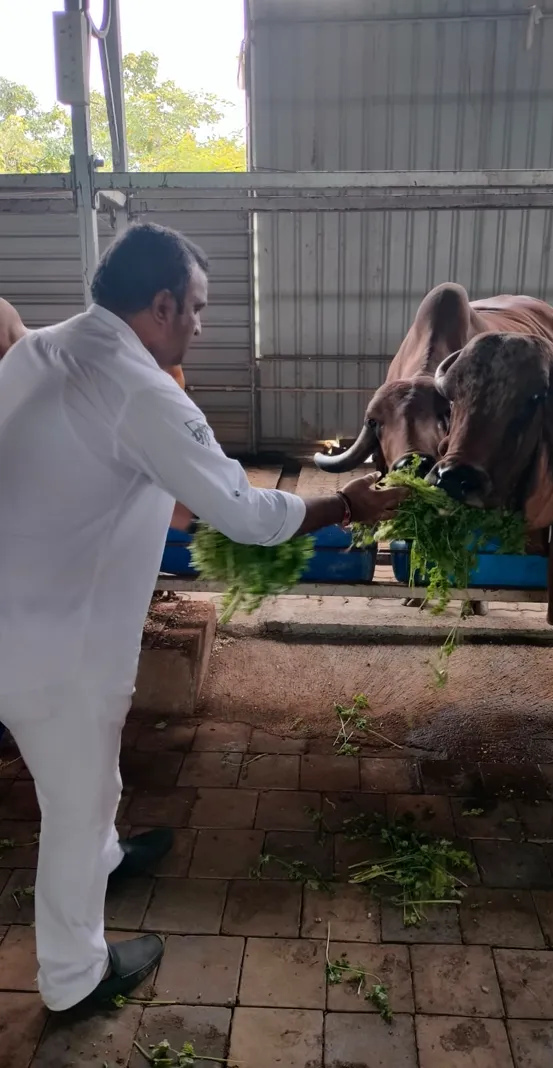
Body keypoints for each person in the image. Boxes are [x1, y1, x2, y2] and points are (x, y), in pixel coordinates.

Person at [0, 222, 406, 1014]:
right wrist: (344, 505)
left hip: (27, 611)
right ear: (161, 305)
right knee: (73, 806)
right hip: (55, 645)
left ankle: (106, 856)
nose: (199, 324)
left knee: (89, 779)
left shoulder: (42, 348)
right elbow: (245, 514)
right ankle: (73, 979)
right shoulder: (138, 386)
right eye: (196, 307)